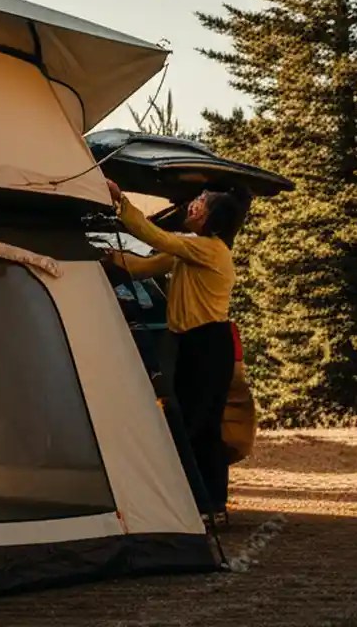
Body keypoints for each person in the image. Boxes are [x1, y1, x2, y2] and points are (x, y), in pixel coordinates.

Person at [102, 180, 251, 519]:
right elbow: (141, 267)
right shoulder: (191, 250)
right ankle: (208, 502)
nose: (192, 204)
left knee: (198, 423)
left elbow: (156, 238)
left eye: (200, 201)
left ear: (209, 218)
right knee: (195, 421)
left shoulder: (208, 248)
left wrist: (120, 200)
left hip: (208, 343)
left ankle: (206, 503)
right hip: (193, 343)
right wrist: (107, 258)